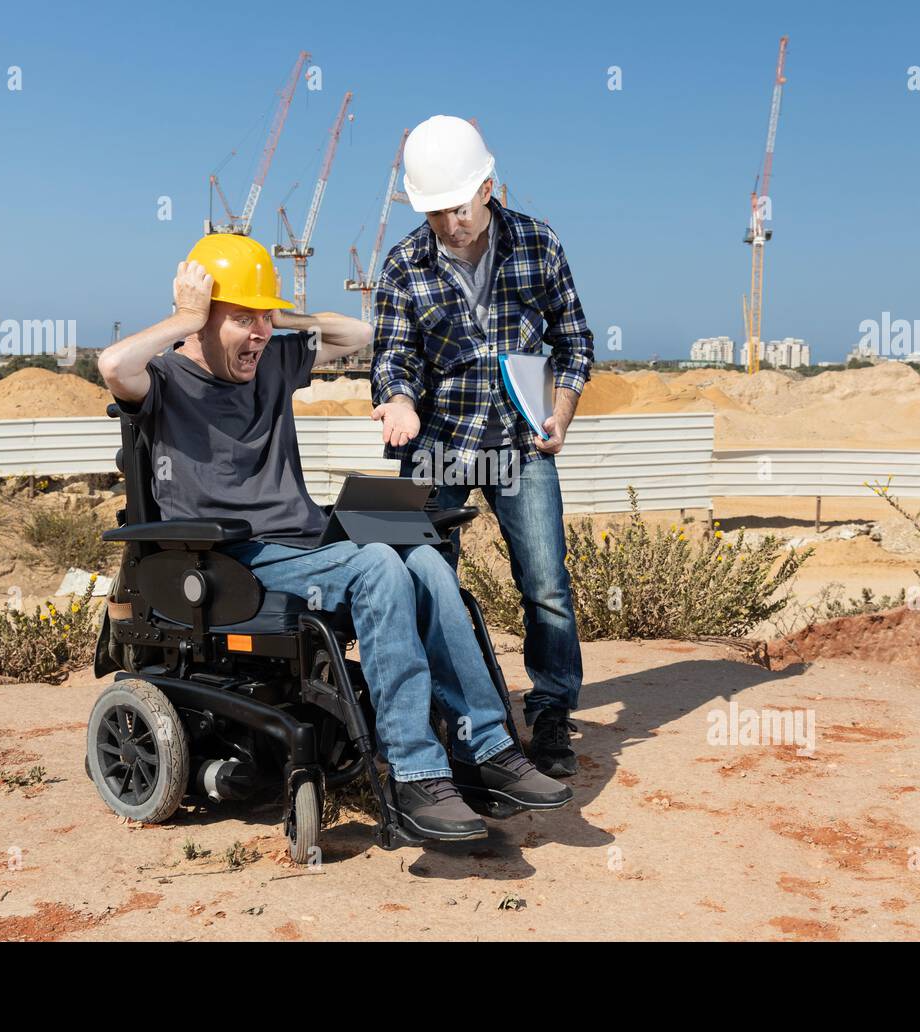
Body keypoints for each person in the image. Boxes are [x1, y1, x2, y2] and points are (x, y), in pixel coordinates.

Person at [97, 233, 571, 842]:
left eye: (264, 318)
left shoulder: (270, 359)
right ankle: (414, 774)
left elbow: (359, 336)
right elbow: (113, 366)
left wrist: (269, 314)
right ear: (202, 320)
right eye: (241, 319)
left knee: (425, 558)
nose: (259, 334)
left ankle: (486, 748)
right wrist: (189, 315)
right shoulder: (163, 380)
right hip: (229, 558)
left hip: (305, 541)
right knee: (377, 564)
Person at [370, 115, 593, 777]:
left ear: (488, 187)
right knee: (421, 582)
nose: (449, 223)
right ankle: (441, 719)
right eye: (434, 211)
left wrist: (562, 413)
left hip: (522, 443)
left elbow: (576, 343)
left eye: (458, 208)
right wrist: (401, 401)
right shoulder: (402, 264)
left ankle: (551, 715)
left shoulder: (539, 243)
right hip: (436, 444)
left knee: (547, 587)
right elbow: (391, 359)